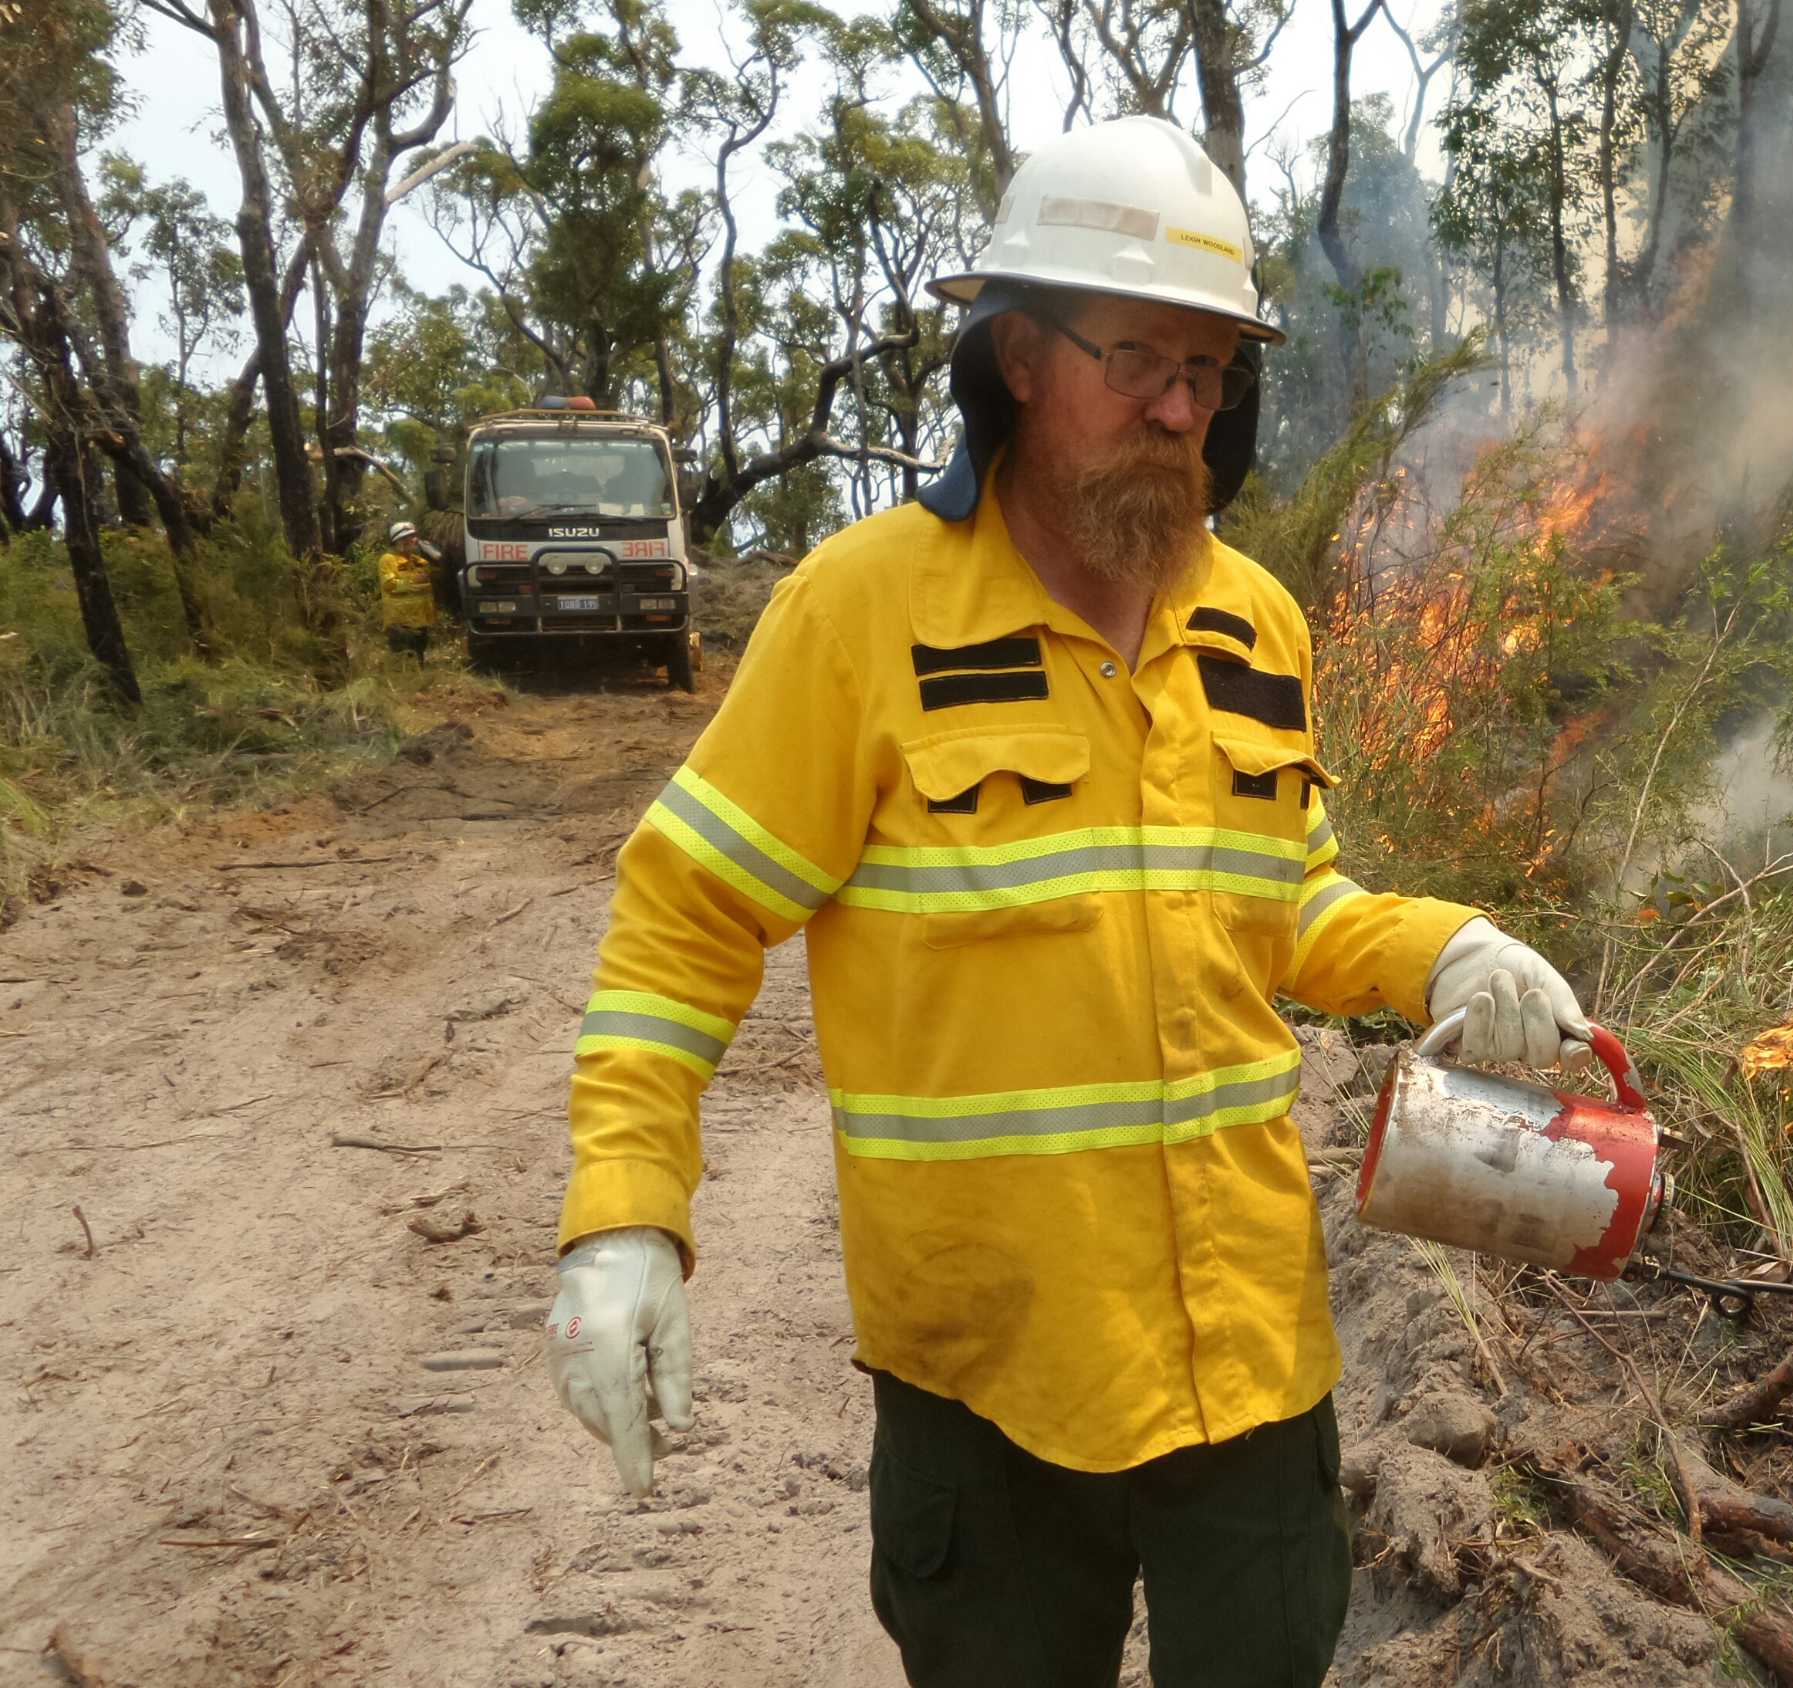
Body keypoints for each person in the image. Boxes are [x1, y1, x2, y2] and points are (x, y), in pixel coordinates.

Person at [541, 115, 1592, 1688]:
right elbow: (684, 915)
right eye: (1140, 361)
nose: (1183, 409)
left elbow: (1279, 905)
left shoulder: (1258, 627)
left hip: (1249, 1354)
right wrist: (627, 1215)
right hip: (990, 1378)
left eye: (1213, 371)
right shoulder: (866, 610)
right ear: (1019, 356)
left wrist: (1444, 938)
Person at [378, 520, 444, 659]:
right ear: (399, 541)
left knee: (418, 656)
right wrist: (414, 581)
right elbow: (390, 585)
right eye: (409, 537)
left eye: (414, 536)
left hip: (420, 621)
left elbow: (437, 578)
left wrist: (433, 554)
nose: (414, 540)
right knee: (403, 659)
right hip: (400, 622)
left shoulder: (420, 562)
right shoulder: (388, 560)